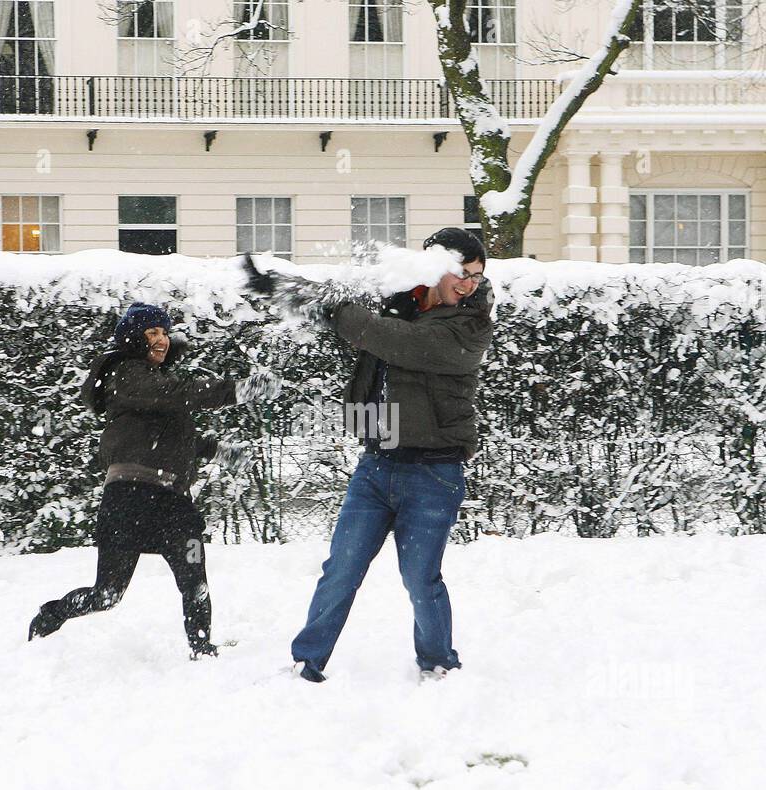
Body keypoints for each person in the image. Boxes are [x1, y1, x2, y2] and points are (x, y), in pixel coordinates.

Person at [253, 228, 495, 682]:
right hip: (376, 467)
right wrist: (288, 288)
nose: (468, 285)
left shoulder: (470, 326)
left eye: (476, 277)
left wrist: (352, 315)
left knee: (421, 580)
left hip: (433, 473)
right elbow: (353, 323)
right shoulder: (402, 303)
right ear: (432, 268)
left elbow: (383, 338)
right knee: (340, 571)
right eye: (461, 274)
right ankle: (308, 661)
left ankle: (439, 664)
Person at [27, 302, 280, 657]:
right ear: (134, 338)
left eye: (164, 332)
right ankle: (49, 618)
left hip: (174, 503)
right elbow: (178, 394)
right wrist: (237, 390)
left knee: (195, 583)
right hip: (129, 498)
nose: (161, 340)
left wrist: (217, 451)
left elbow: (171, 436)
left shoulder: (155, 382)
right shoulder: (126, 374)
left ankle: (202, 648)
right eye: (152, 333)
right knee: (107, 594)